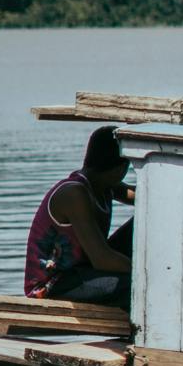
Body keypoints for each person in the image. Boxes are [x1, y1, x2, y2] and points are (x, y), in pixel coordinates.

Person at [26, 126, 133, 302]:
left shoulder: (106, 185)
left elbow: (147, 196)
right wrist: (148, 275)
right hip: (52, 286)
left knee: (140, 224)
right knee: (133, 286)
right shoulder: (74, 193)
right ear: (121, 168)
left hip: (84, 272)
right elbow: (102, 259)